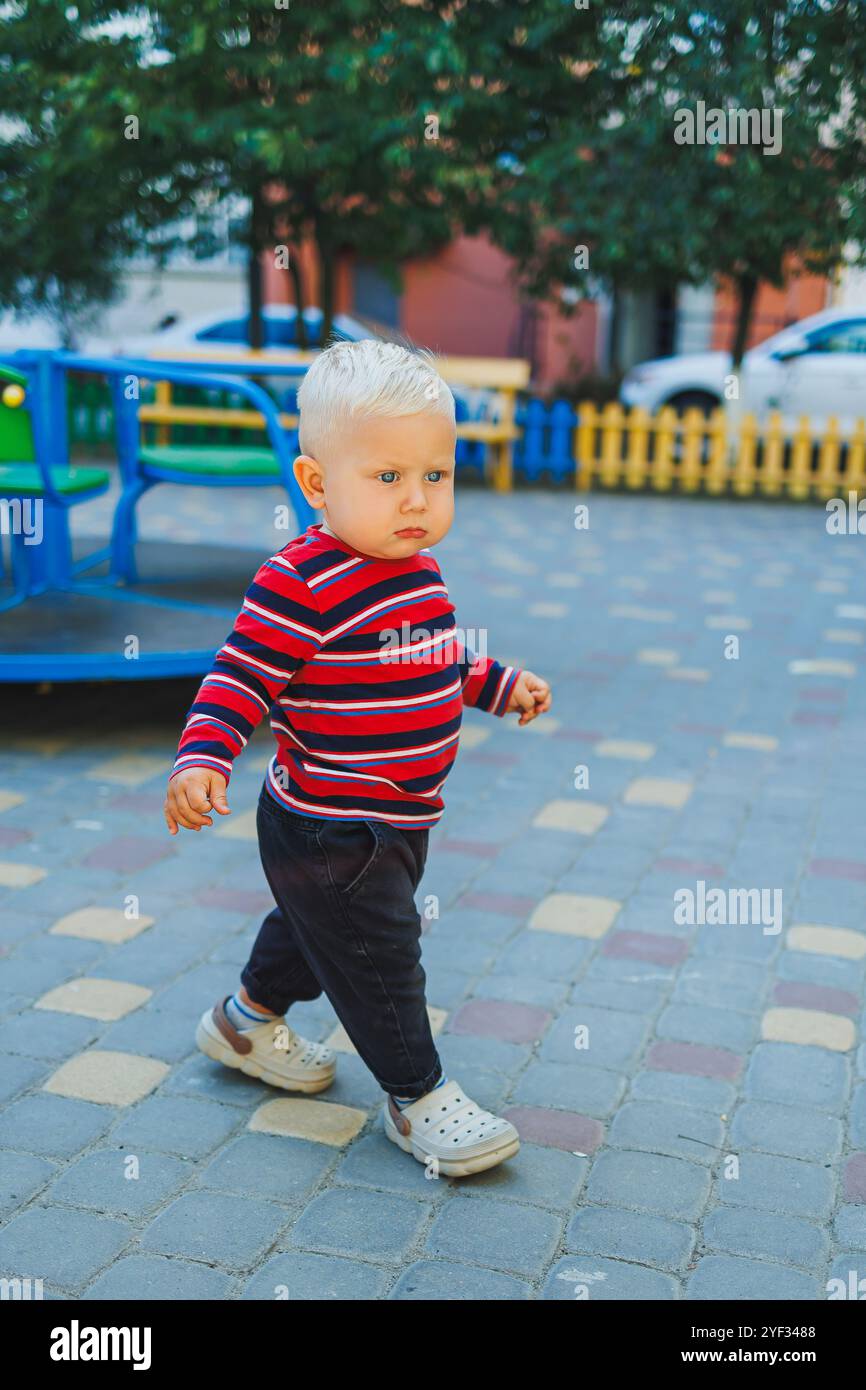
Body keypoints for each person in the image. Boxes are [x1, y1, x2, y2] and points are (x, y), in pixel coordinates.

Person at [163, 338, 552, 1177]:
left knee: (319, 931)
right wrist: (202, 757)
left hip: (401, 817)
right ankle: (418, 1099)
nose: (416, 500)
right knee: (378, 949)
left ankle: (244, 1021)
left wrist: (498, 682)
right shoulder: (299, 581)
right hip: (330, 823)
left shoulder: (416, 570)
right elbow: (239, 676)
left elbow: (434, 660)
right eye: (387, 478)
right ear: (316, 483)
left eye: (435, 477)